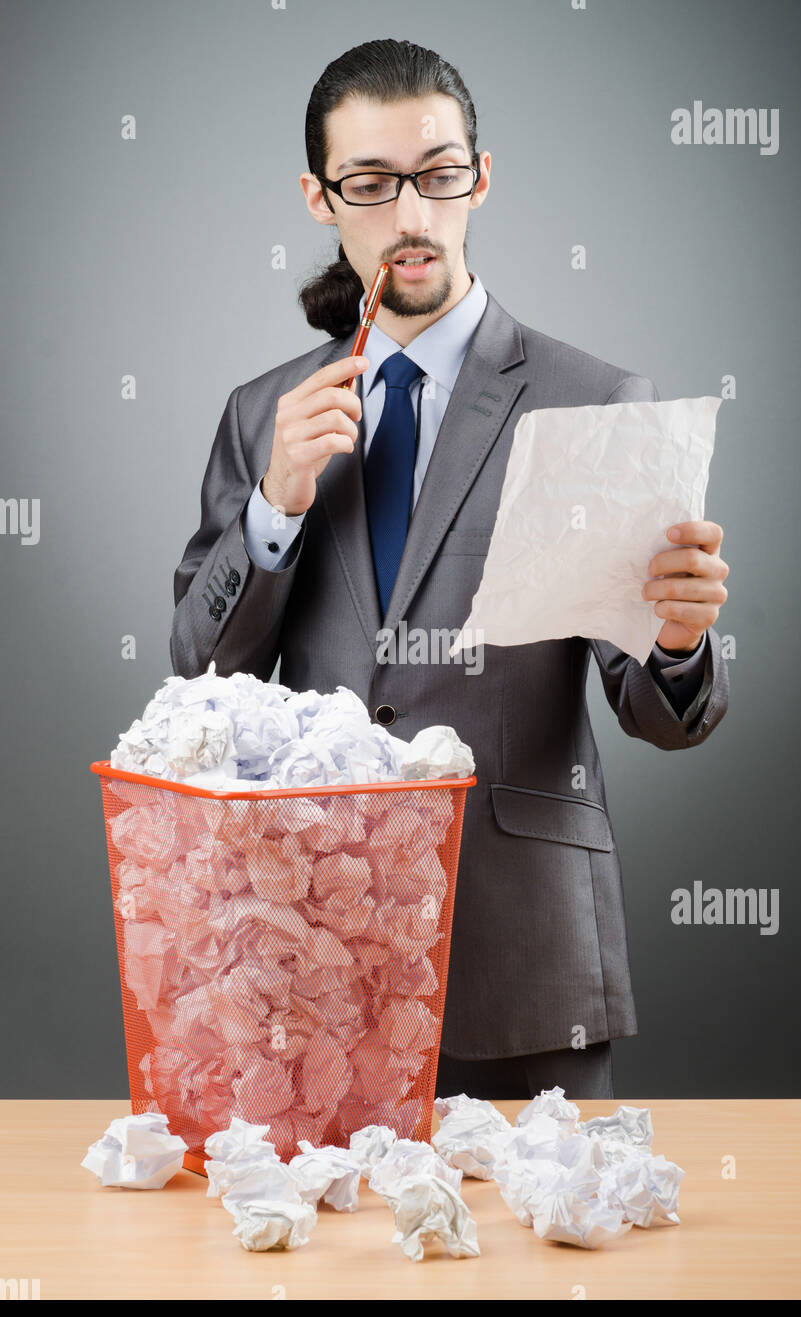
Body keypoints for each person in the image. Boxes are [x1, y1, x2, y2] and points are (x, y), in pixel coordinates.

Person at [170, 38, 730, 1102]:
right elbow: (202, 677)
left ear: (481, 176)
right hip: (313, 953)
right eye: (372, 185)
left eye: (438, 174)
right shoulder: (262, 416)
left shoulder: (594, 401)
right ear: (320, 198)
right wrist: (273, 508)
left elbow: (660, 715)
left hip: (523, 955)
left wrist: (678, 640)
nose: (412, 217)